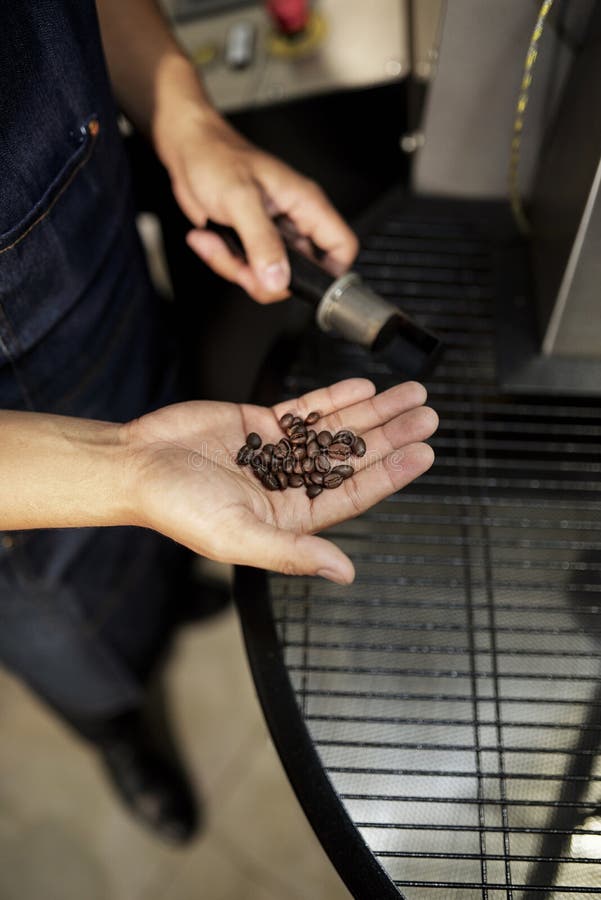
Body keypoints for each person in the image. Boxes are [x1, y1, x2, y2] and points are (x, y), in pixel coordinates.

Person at [0, 0, 438, 843]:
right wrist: (123, 471)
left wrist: (182, 111)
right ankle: (117, 724)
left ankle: (158, 597)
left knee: (155, 547)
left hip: (105, 288)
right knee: (68, 628)